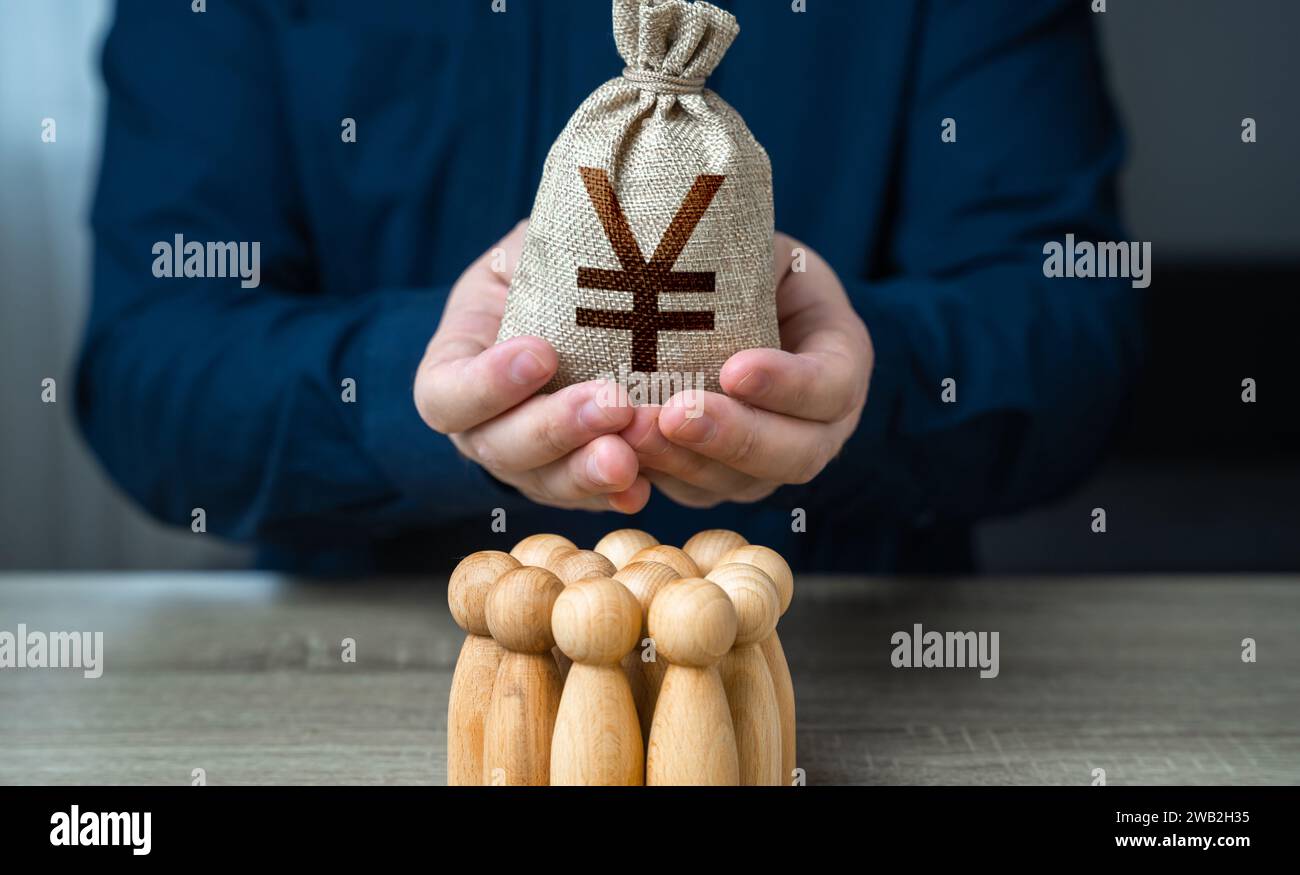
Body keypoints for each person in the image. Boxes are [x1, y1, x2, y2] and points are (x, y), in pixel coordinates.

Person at [76, 0, 1141, 576]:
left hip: (830, 635)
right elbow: (148, 365)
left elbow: (1072, 317)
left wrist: (860, 373)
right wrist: (429, 385)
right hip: (372, 662)